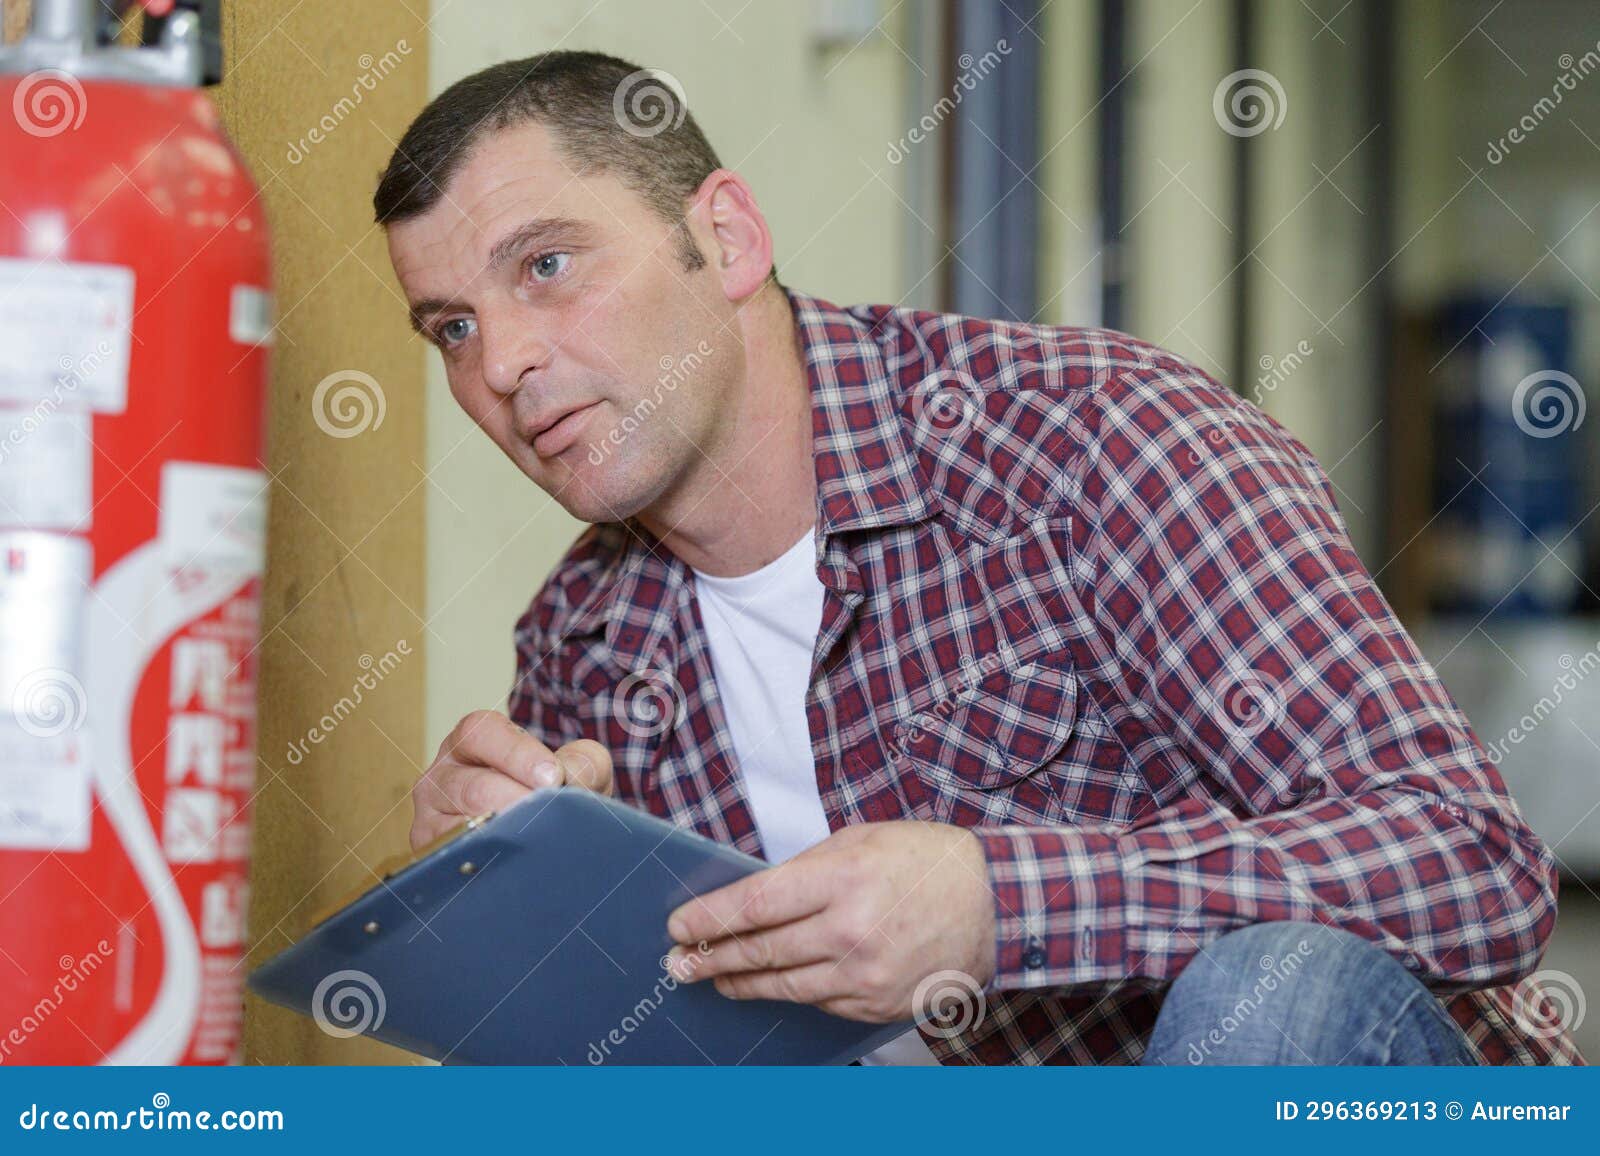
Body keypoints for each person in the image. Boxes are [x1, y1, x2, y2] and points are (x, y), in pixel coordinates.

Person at [375, 50, 1581, 1065]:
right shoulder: (583, 637)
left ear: (728, 238)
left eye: (546, 265)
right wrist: (503, 916)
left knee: (1274, 996)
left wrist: (1002, 904)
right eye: (452, 328)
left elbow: (1467, 857)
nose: (501, 364)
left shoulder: (1099, 439)